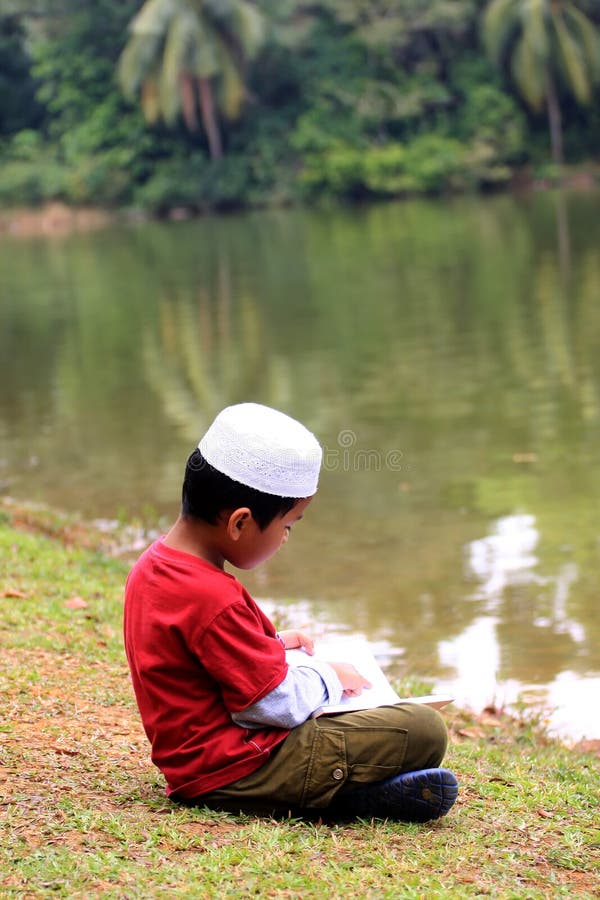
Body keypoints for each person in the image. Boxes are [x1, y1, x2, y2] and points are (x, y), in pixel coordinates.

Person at [124, 403, 458, 822]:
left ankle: (357, 794)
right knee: (422, 729)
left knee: (400, 726)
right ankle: (345, 800)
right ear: (240, 522)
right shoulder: (210, 595)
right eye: (288, 525)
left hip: (198, 762)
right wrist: (331, 677)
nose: (286, 538)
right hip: (237, 767)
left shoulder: (156, 566)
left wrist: (274, 645)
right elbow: (270, 704)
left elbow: (200, 654)